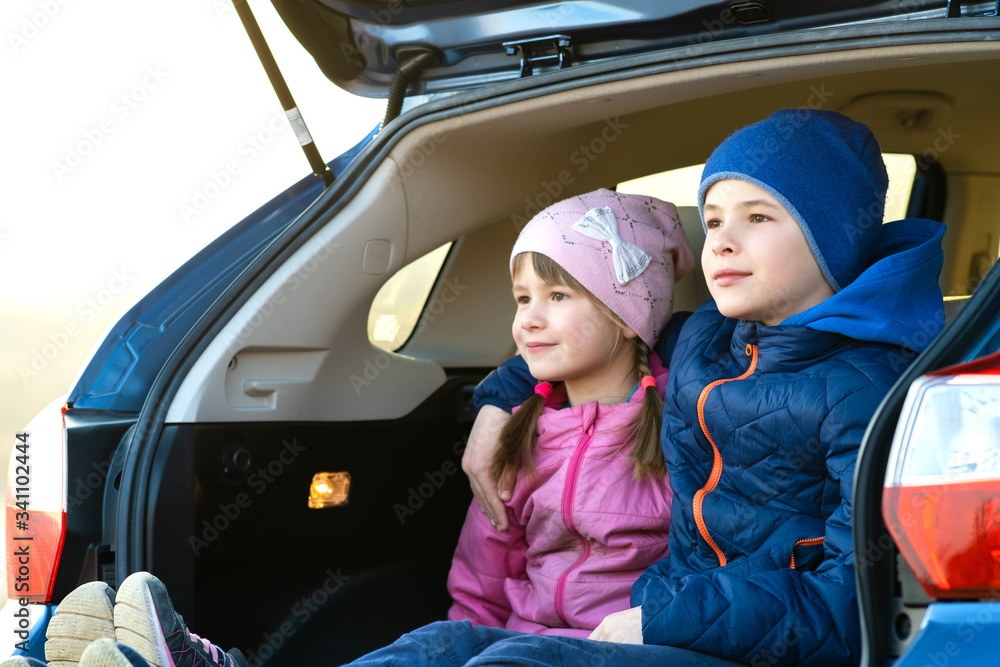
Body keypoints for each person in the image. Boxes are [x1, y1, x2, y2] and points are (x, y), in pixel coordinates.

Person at [24, 189, 695, 667]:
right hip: (508, 636)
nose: (528, 319)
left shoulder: (686, 426)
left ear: (625, 310)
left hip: (613, 646)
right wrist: (465, 640)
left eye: (559, 295)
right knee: (434, 642)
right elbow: (485, 571)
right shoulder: (518, 432)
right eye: (522, 299)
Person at [461, 109, 947, 665]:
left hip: (748, 640)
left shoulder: (875, 389)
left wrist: (670, 616)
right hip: (667, 617)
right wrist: (499, 401)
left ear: (836, 239)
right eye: (713, 221)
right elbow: (601, 332)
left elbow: (854, 599)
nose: (721, 242)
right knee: (433, 647)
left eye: (759, 218)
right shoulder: (703, 338)